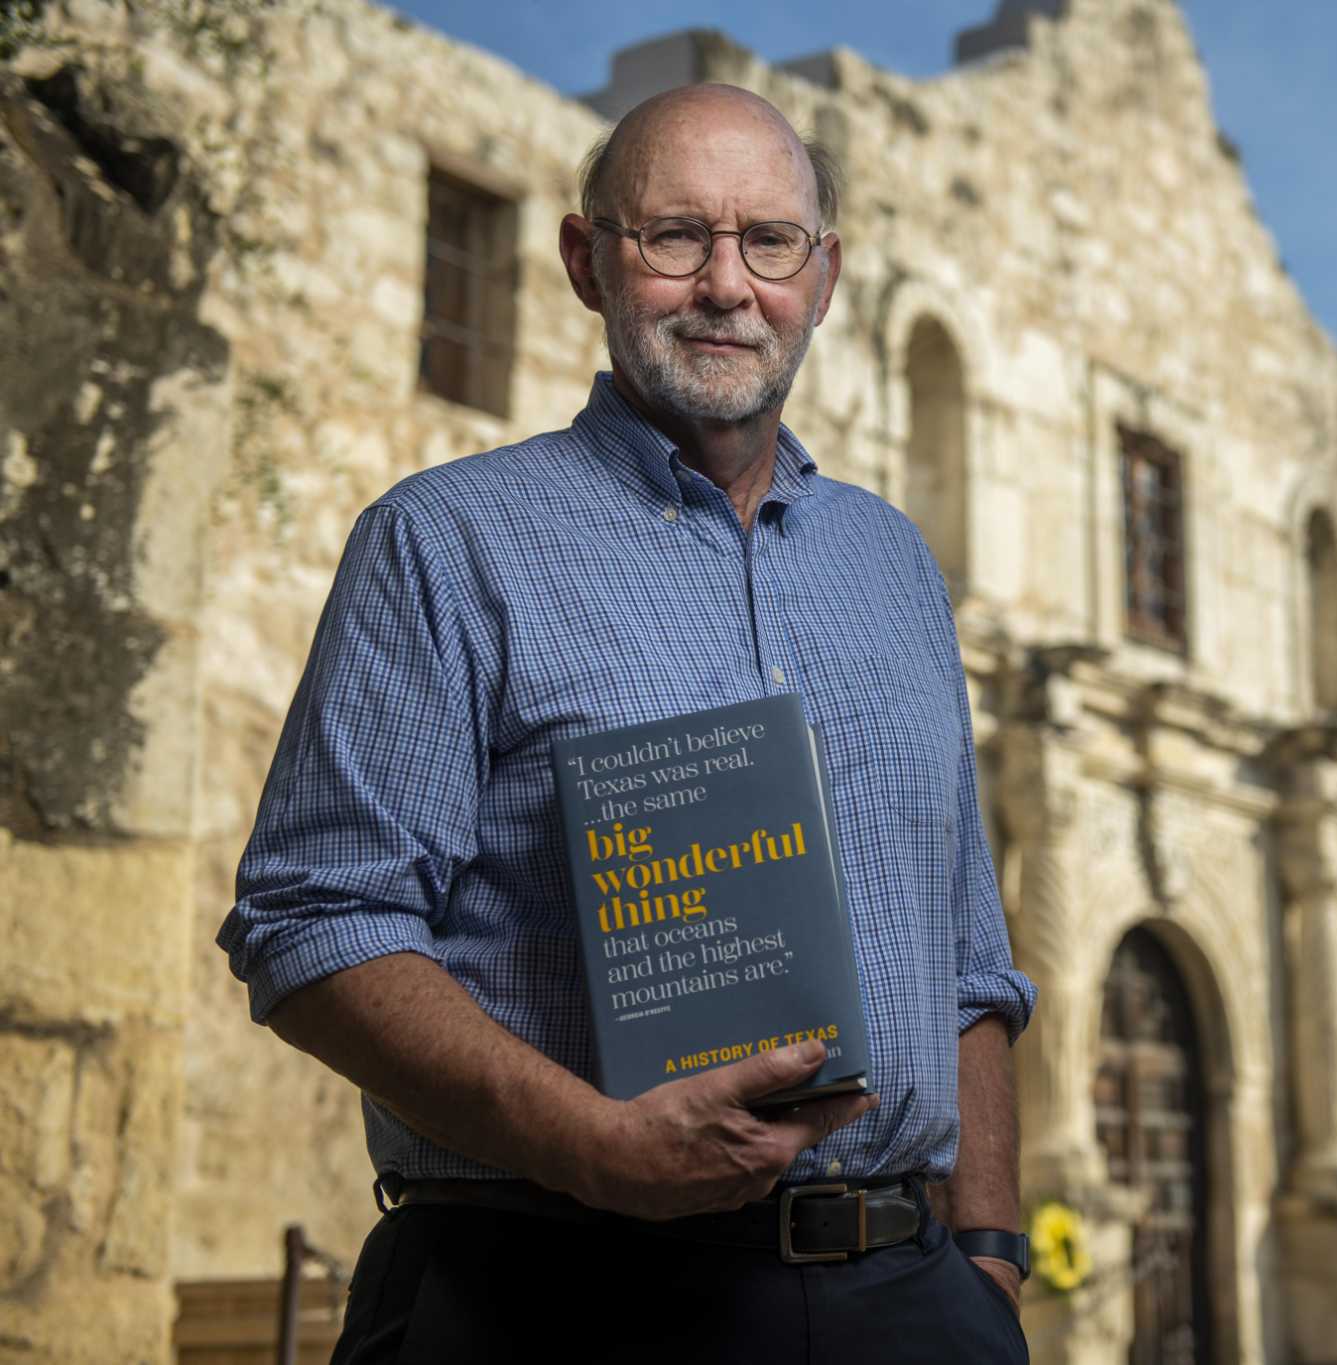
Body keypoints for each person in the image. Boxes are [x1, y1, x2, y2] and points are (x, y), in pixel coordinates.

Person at [218, 83, 1036, 1364]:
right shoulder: (445, 541)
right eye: (672, 237)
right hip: (545, 1295)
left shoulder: (895, 567)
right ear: (584, 261)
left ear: (822, 280)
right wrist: (594, 1145)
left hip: (905, 1297)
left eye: (768, 241)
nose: (725, 283)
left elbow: (969, 959)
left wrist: (987, 1257)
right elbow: (311, 923)